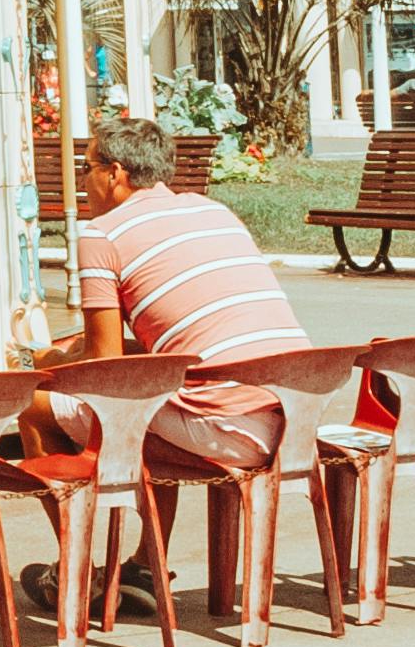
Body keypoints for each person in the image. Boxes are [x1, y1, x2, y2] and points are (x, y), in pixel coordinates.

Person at [46, 114, 307, 471]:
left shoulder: (102, 234)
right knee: (143, 399)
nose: (83, 179)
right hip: (296, 422)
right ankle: (147, 524)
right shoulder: (215, 211)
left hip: (223, 428)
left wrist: (45, 364)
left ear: (114, 173)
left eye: (86, 166)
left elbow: (103, 364)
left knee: (35, 406)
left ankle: (75, 523)